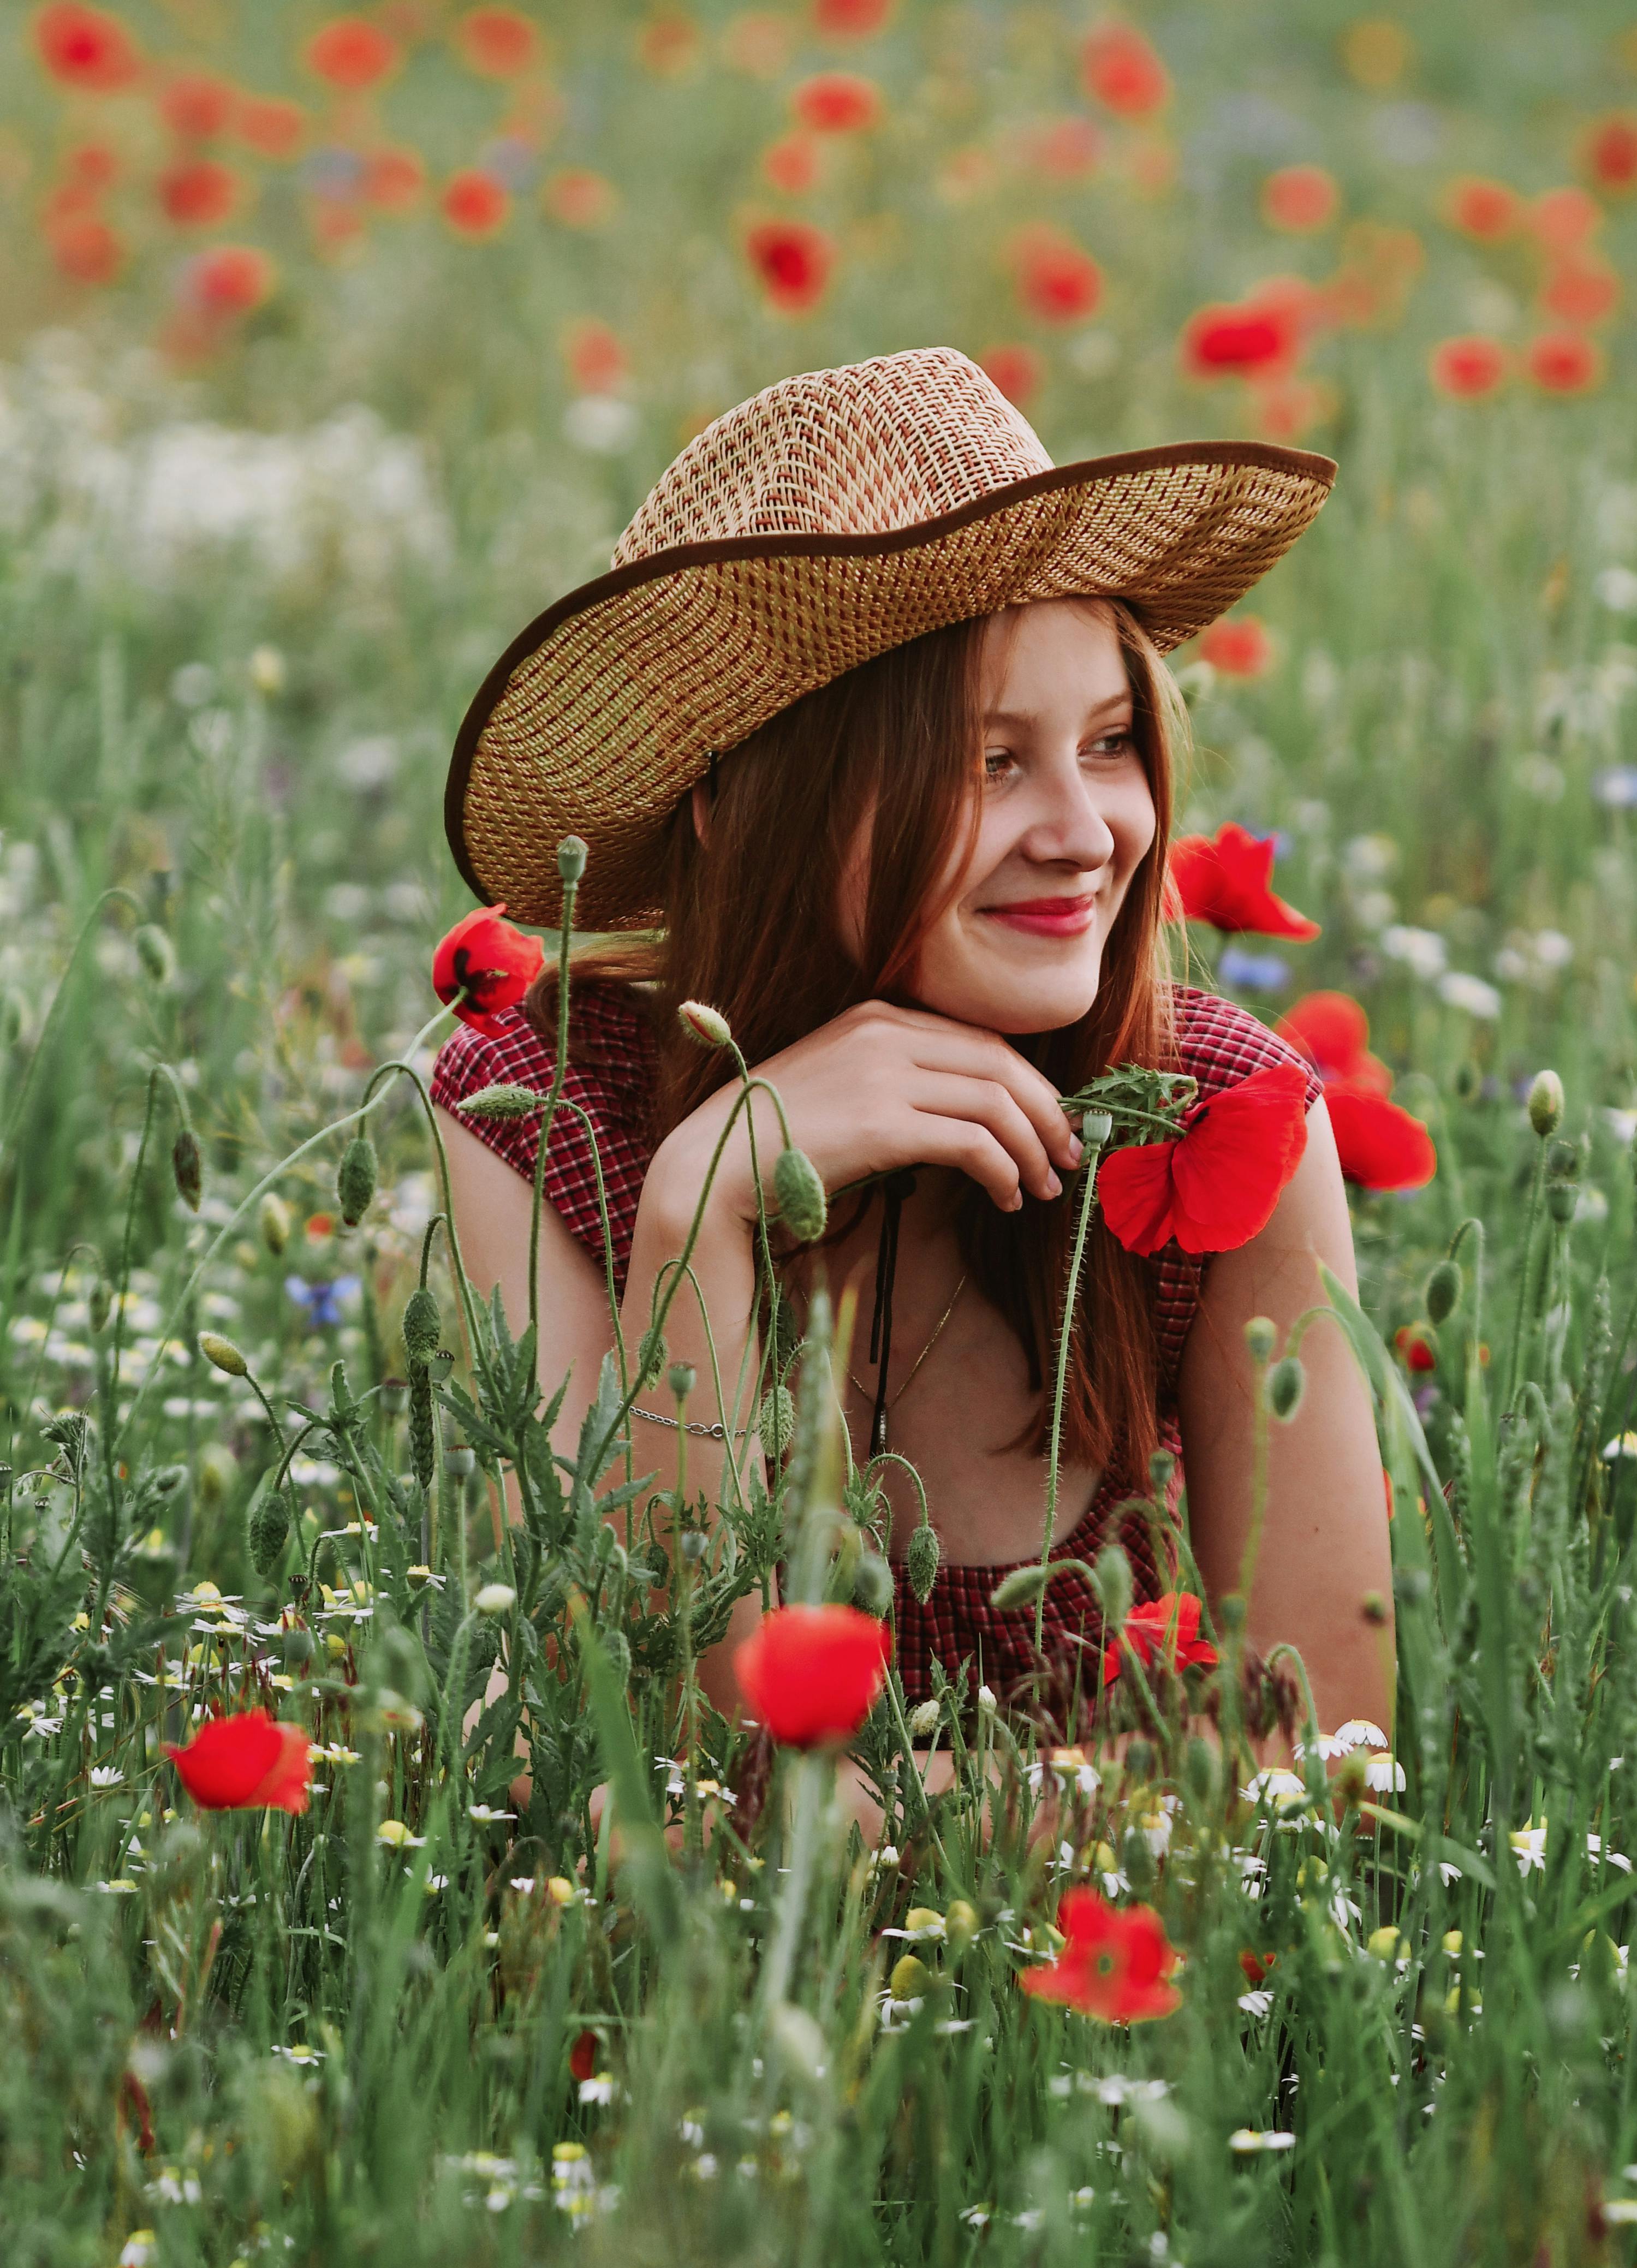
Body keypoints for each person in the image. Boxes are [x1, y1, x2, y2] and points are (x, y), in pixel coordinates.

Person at [433, 347, 1391, 1751]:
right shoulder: (549, 1108)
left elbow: (1331, 1761)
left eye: (1112, 742)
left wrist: (850, 1832)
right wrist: (697, 1217)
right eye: (989, 760)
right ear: (738, 800)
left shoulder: (1219, 1119)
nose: (1084, 832)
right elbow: (637, 1769)